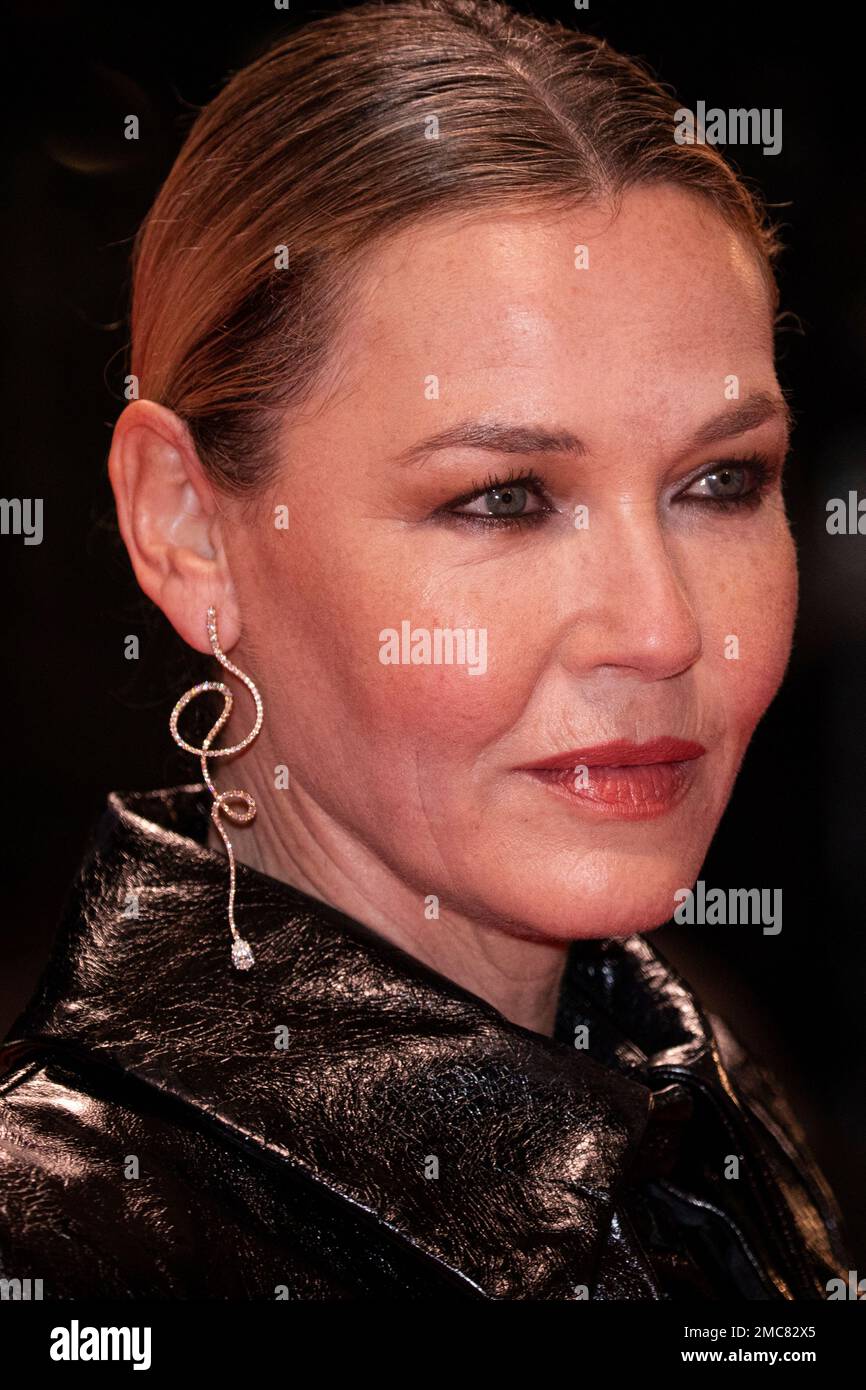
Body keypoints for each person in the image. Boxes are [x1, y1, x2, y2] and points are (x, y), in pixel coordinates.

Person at [0, 0, 852, 1299]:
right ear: (187, 530)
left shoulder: (709, 1084)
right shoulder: (57, 1241)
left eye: (720, 482)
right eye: (502, 496)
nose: (661, 626)